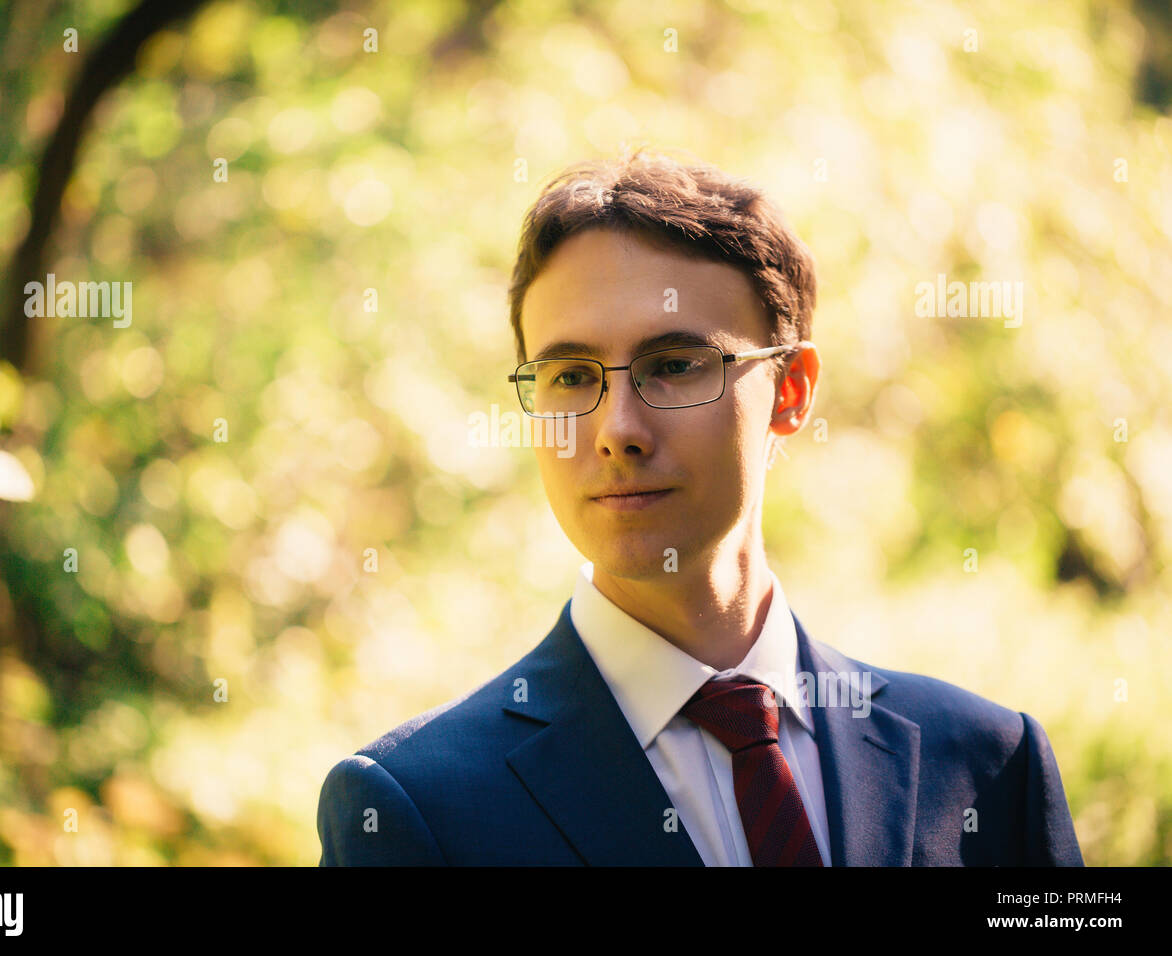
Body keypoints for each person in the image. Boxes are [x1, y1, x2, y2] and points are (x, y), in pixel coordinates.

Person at [316, 147, 1084, 866]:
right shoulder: (417, 809)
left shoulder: (985, 760)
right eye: (572, 377)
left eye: (675, 364)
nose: (618, 431)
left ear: (791, 390)